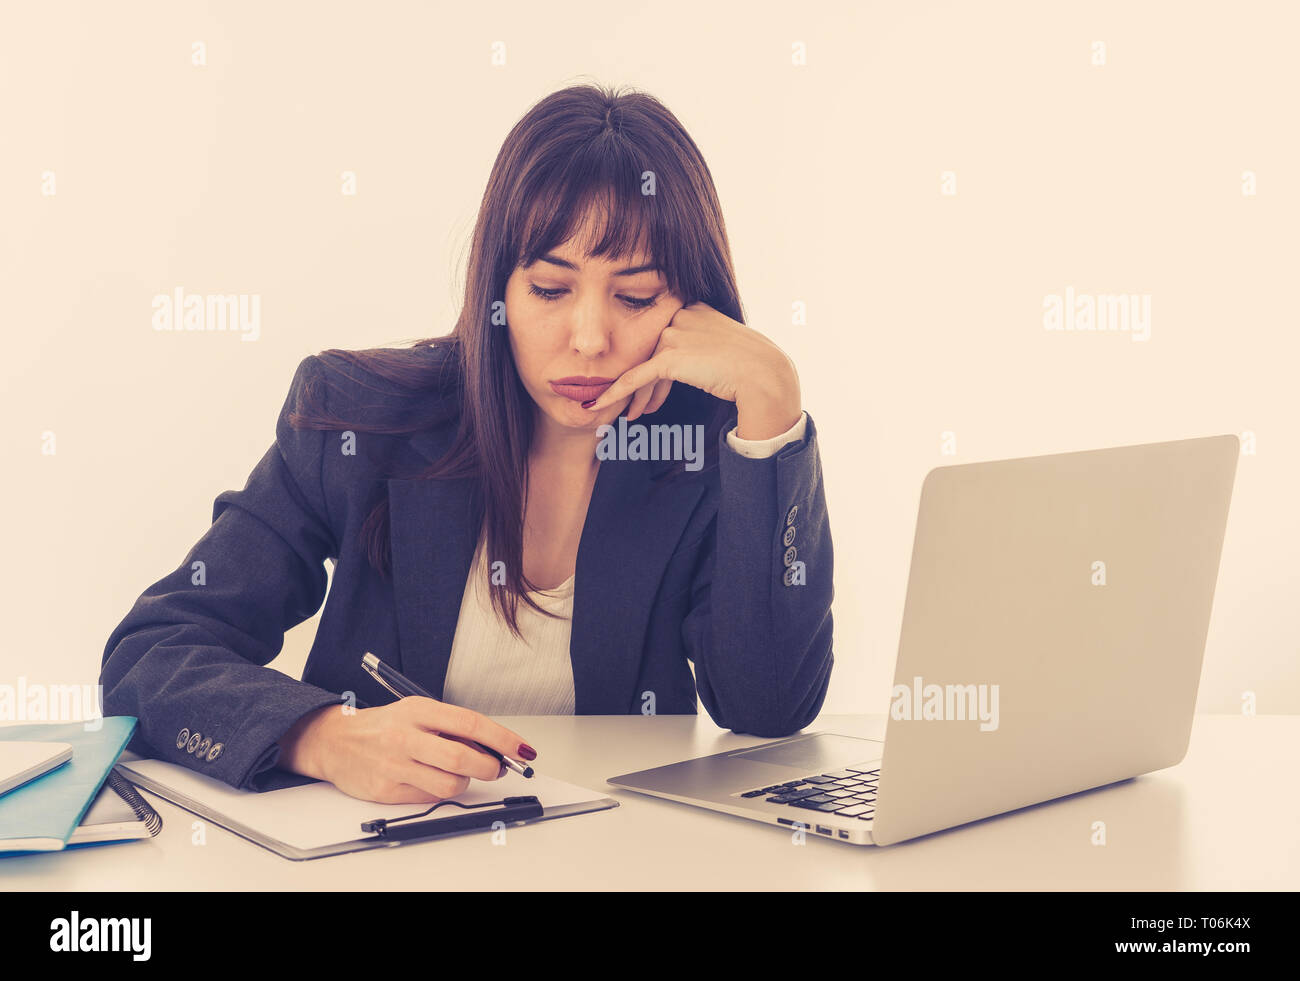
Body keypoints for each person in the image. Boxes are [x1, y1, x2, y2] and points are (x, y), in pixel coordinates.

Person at [100, 83, 834, 805]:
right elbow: (150, 653)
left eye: (636, 296)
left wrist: (772, 403)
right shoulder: (358, 417)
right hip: (378, 846)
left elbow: (768, 707)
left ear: (693, 306)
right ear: (498, 291)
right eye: (549, 289)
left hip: (609, 853)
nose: (589, 339)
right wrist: (321, 736)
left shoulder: (715, 453)